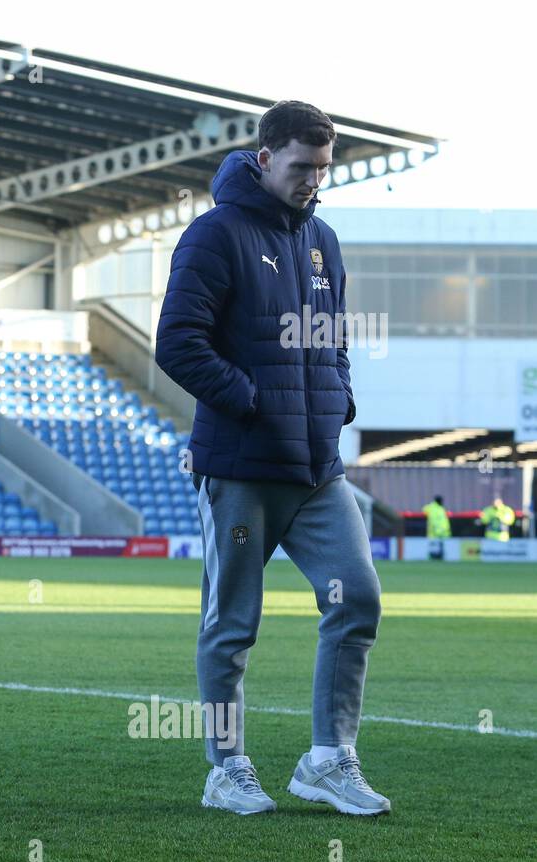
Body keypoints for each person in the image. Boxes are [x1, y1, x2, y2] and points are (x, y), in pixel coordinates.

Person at [156, 99, 390, 817]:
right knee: (232, 625)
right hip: (241, 469)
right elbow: (177, 344)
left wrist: (338, 398)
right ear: (264, 159)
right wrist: (254, 401)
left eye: (324, 167)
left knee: (358, 597)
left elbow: (335, 339)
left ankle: (328, 759)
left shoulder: (325, 239)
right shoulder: (214, 235)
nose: (314, 180)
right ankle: (226, 768)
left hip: (319, 469)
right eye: (301, 166)